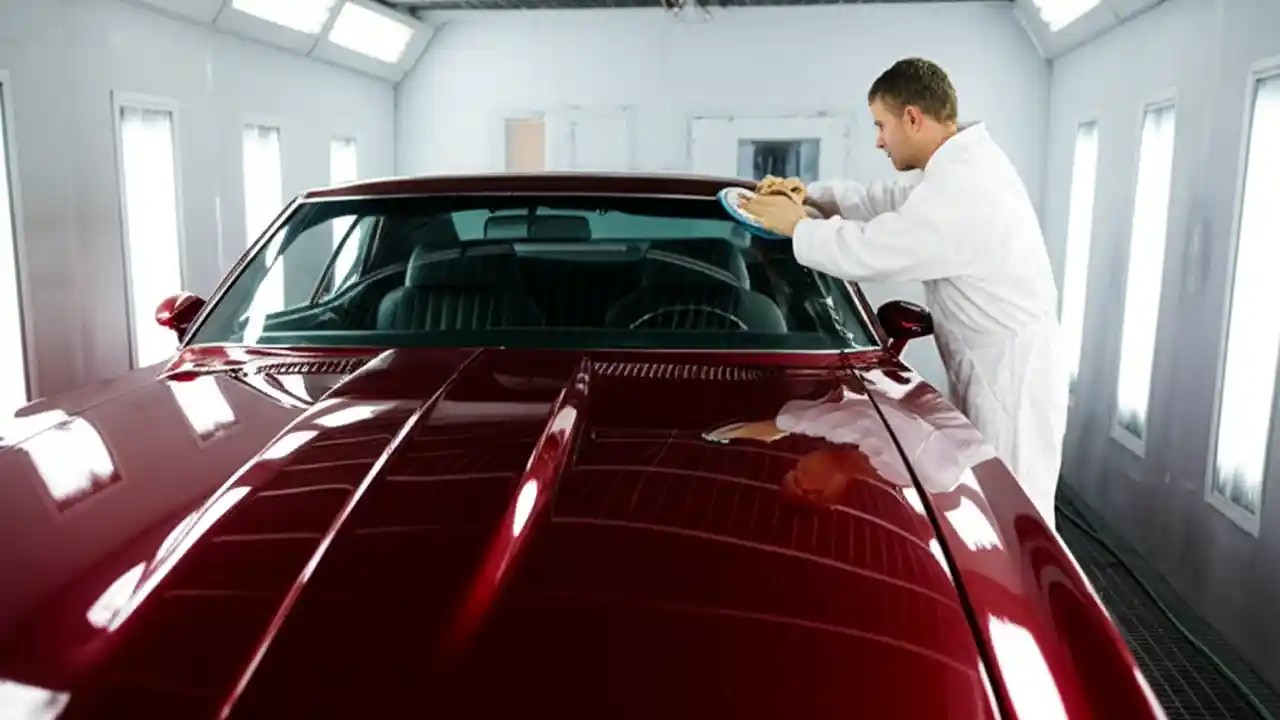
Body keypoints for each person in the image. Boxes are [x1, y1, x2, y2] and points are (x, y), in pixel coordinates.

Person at [741, 57, 1068, 526]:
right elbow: (884, 201)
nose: (878, 139)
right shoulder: (955, 172)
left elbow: (873, 252)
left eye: (881, 125)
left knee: (1013, 521)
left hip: (1010, 377)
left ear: (912, 117)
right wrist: (809, 195)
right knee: (993, 508)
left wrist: (798, 229)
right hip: (995, 364)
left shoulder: (966, 191)